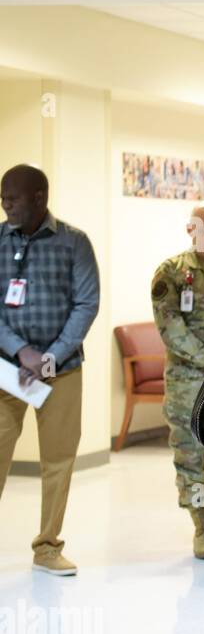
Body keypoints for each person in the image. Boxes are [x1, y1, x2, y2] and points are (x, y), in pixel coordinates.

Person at [0, 165, 101, 575]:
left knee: (58, 460)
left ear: (40, 197)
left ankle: (47, 546)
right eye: (3, 199)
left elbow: (86, 304)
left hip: (61, 370)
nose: (6, 206)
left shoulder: (74, 243)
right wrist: (21, 351)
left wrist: (49, 358)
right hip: (6, 369)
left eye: (13, 199)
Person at [151, 203, 204, 560]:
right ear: (190, 230)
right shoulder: (171, 272)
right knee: (192, 461)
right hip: (189, 385)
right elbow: (170, 327)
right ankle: (203, 526)